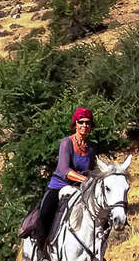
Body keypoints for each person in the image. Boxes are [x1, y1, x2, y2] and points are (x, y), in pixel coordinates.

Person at [36, 107, 99, 250]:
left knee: (101, 212)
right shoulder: (66, 143)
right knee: (45, 213)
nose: (84, 125)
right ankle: (41, 251)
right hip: (59, 185)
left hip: (80, 188)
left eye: (88, 123)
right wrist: (86, 180)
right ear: (75, 124)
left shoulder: (91, 147)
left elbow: (92, 169)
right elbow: (65, 170)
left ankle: (97, 252)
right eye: (81, 122)